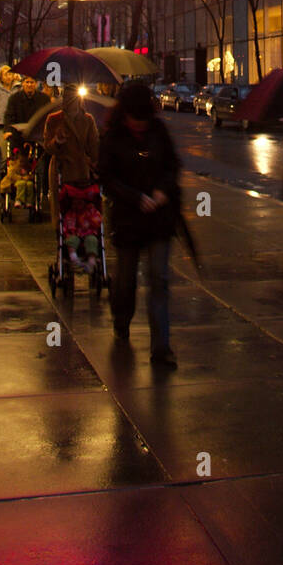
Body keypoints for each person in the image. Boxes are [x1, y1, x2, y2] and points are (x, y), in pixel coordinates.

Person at [98, 79, 182, 366]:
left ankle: (162, 347)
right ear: (125, 115)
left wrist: (162, 191)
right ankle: (121, 320)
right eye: (135, 120)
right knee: (126, 280)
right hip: (129, 219)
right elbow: (107, 178)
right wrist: (134, 197)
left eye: (143, 120)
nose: (140, 126)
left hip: (158, 218)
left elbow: (172, 165)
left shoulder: (158, 131)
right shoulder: (113, 137)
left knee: (159, 279)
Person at [44, 84, 101, 274]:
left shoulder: (87, 120)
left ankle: (87, 250)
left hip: (83, 173)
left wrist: (95, 163)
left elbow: (94, 147)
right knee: (61, 213)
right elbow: (48, 148)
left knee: (87, 212)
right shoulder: (54, 120)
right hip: (62, 171)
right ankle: (65, 250)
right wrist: (57, 142)